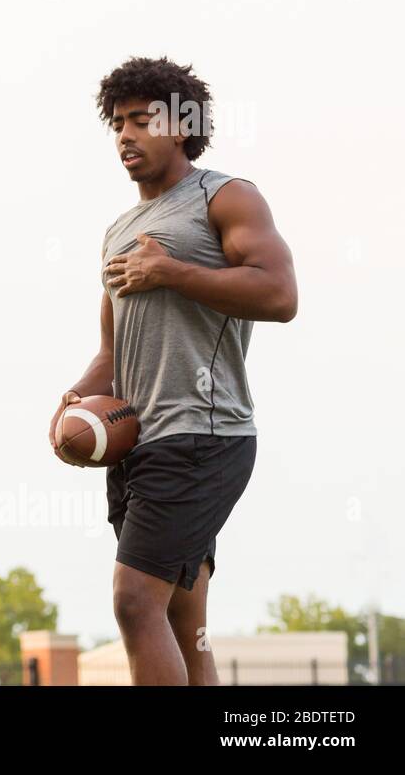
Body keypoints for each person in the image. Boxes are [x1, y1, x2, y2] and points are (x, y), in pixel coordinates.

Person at [49, 56, 296, 685]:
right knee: (186, 623)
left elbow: (280, 297)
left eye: (140, 121)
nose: (125, 136)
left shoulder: (227, 197)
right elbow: (113, 352)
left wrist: (172, 273)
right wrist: (78, 396)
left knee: (135, 603)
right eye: (117, 125)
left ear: (181, 126)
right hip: (140, 442)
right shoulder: (118, 232)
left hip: (202, 434)